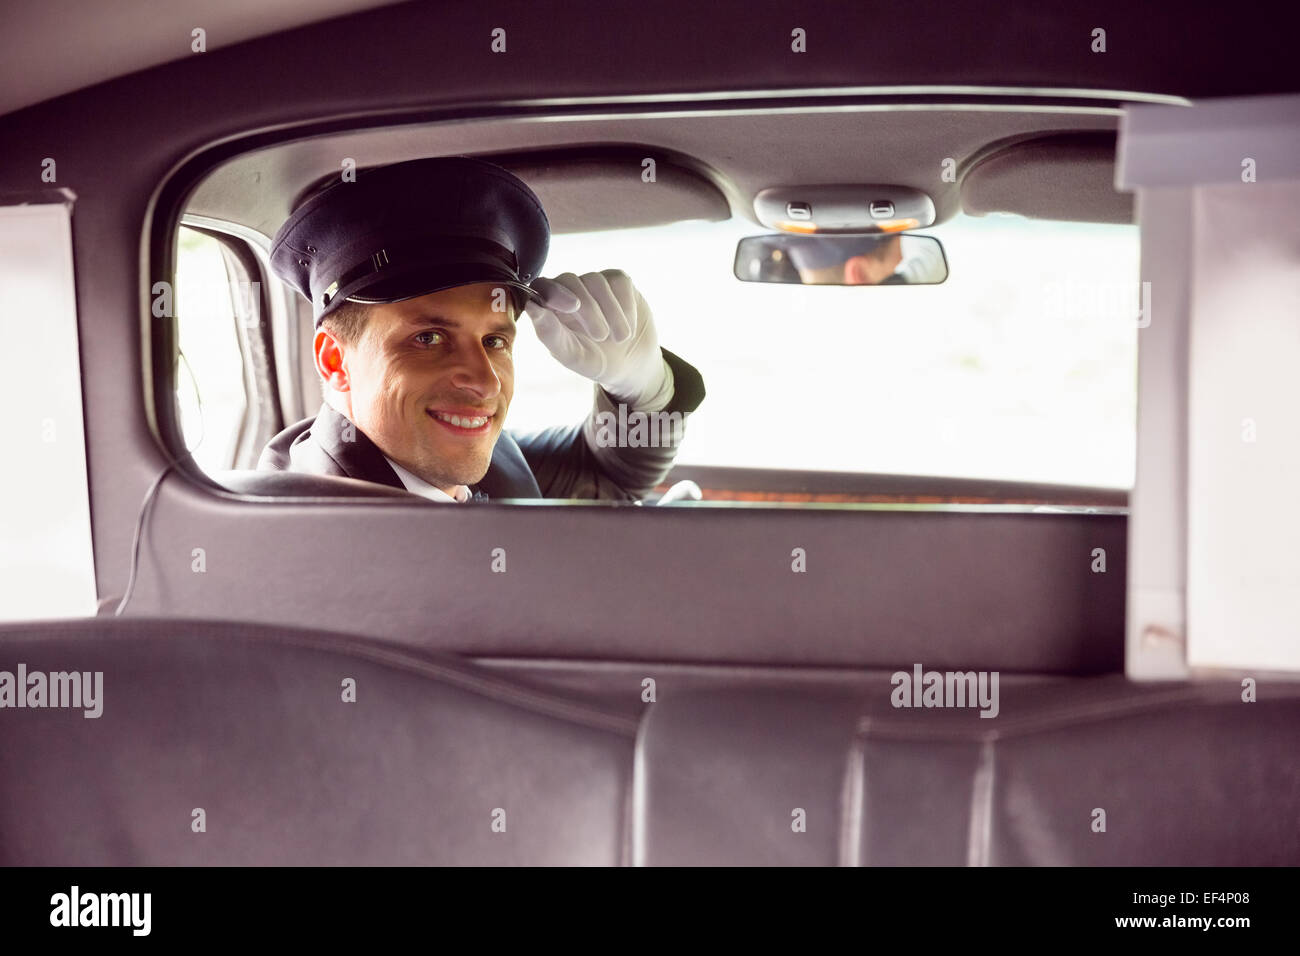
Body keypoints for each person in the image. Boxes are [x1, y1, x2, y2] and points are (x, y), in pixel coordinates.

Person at [256, 156, 705, 503]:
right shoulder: (314, 527)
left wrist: (643, 390)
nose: (486, 380)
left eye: (494, 341)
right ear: (335, 361)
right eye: (429, 338)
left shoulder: (462, 455)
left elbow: (607, 477)